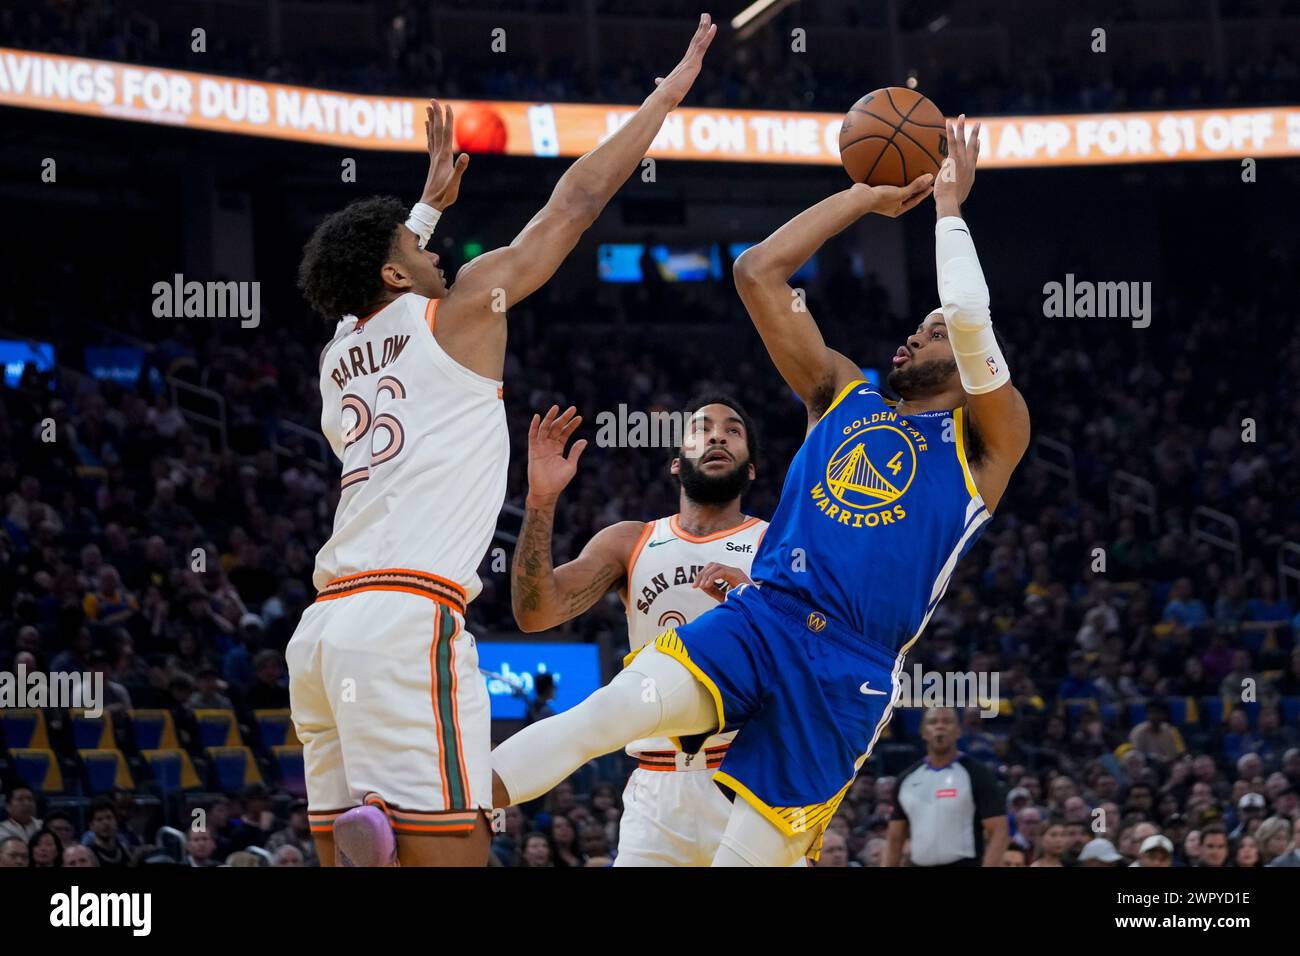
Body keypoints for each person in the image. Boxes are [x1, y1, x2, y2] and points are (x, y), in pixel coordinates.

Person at [490, 117, 1031, 865]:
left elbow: (970, 317)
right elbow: (758, 273)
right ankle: (435, 811)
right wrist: (864, 195)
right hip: (766, 614)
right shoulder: (842, 393)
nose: (911, 336)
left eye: (930, 333)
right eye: (916, 327)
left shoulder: (990, 442)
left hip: (851, 667)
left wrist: (947, 208)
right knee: (604, 714)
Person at [286, 15, 717, 868]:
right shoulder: (463, 310)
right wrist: (666, 94)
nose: (436, 250)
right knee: (454, 851)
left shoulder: (336, 358)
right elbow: (576, 203)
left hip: (324, 632)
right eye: (418, 246)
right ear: (394, 272)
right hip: (408, 619)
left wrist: (423, 209)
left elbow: (363, 302)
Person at [510, 398, 767, 867]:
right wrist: (541, 501)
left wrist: (757, 601)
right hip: (656, 789)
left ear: (750, 468)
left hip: (750, 781)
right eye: (701, 430)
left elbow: (814, 651)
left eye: (732, 431)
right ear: (675, 463)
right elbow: (535, 613)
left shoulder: (777, 545)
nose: (716, 437)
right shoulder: (630, 541)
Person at [886, 708, 1008, 867]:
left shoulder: (978, 774)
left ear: (958, 731)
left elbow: (999, 832)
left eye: (947, 721)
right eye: (933, 722)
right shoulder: (906, 780)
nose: (940, 726)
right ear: (923, 732)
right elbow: (895, 840)